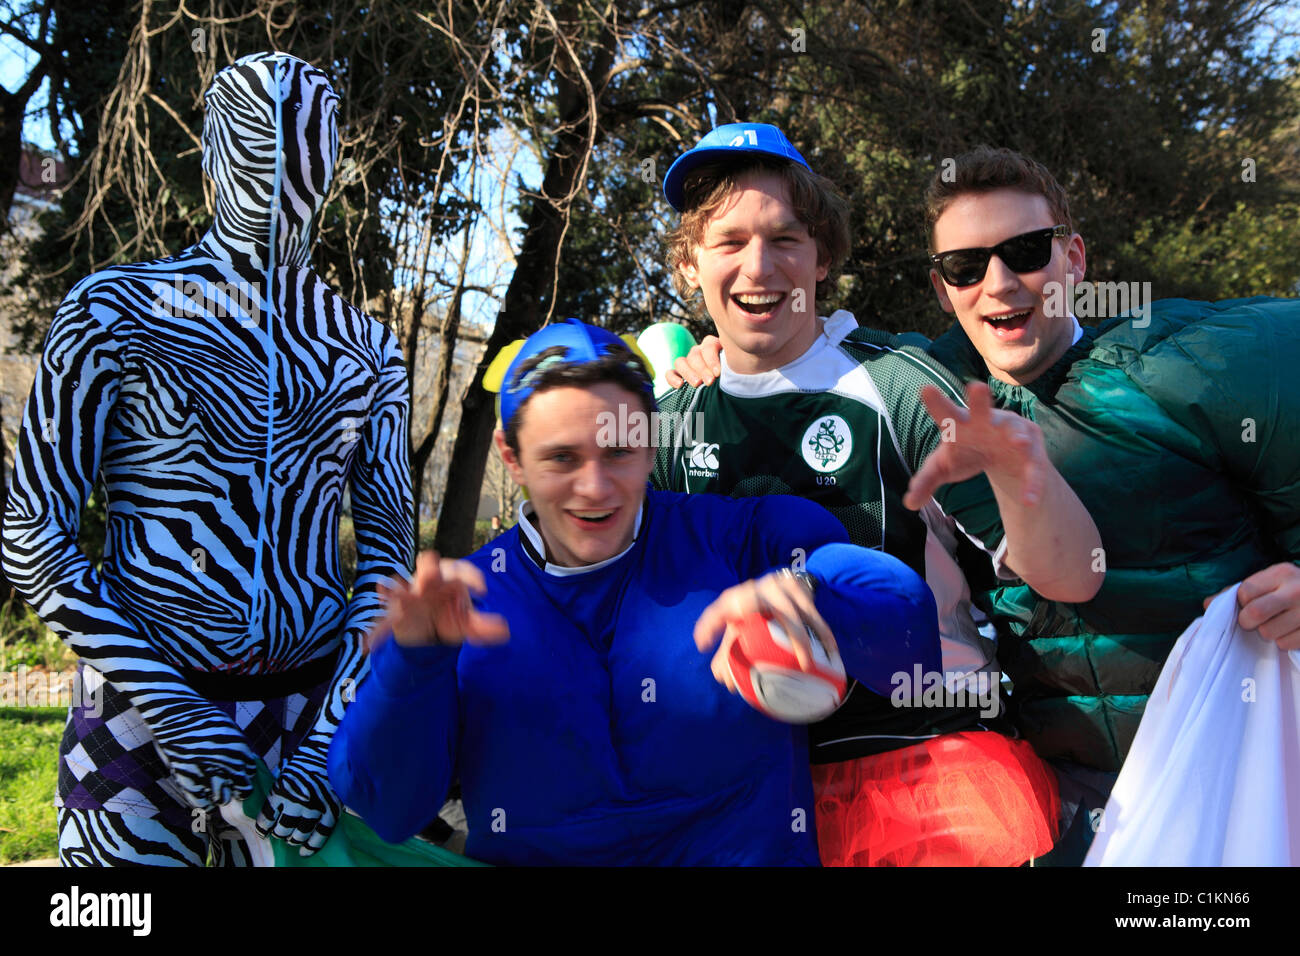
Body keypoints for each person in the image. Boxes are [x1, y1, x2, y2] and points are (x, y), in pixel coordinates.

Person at [673, 142, 1300, 864]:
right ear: (942, 289)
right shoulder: (929, 381)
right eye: (966, 266)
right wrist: (713, 360)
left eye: (1027, 251)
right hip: (1081, 801)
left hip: (1242, 753)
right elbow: (799, 356)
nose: (998, 284)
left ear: (1076, 259)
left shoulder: (1189, 356)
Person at [328, 319, 945, 866]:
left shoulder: (740, 537)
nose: (594, 487)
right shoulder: (460, 603)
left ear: (651, 440)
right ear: (511, 458)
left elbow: (910, 640)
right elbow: (387, 809)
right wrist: (411, 664)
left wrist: (814, 592)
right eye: (562, 458)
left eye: (619, 451)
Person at [1, 53, 412, 866]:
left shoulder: (367, 348)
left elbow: (387, 563)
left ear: (332, 161)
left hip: (305, 721)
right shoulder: (116, 313)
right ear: (213, 150)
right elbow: (29, 532)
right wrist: (174, 705)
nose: (280, 170)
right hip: (134, 721)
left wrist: (332, 728)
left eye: (305, 147)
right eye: (257, 139)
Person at [652, 123, 1102, 866]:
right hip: (749, 791)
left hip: (929, 766)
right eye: (729, 242)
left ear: (823, 256)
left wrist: (1028, 478)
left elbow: (1074, 576)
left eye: (786, 239)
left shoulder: (903, 383)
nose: (758, 266)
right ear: (690, 265)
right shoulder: (664, 425)